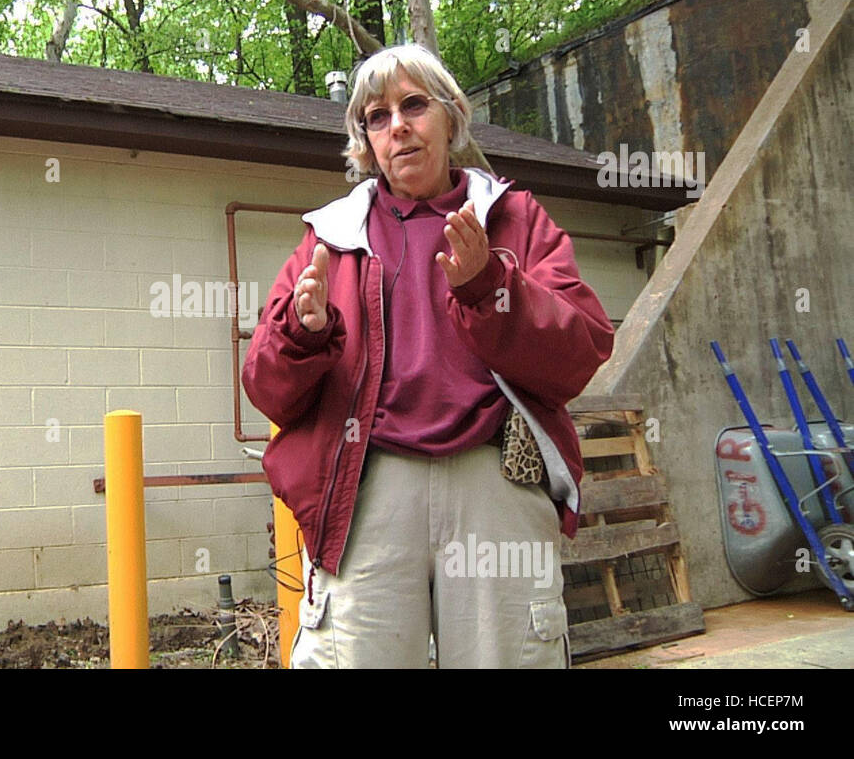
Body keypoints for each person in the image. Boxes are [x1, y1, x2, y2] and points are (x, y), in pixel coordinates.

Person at [242, 44, 614, 668]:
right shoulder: (329, 234)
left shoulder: (514, 218)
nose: (399, 127)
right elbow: (266, 386)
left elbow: (581, 350)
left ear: (449, 116)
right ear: (365, 140)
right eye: (377, 117)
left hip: (494, 482)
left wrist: (491, 287)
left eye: (414, 105)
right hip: (367, 488)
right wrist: (303, 336)